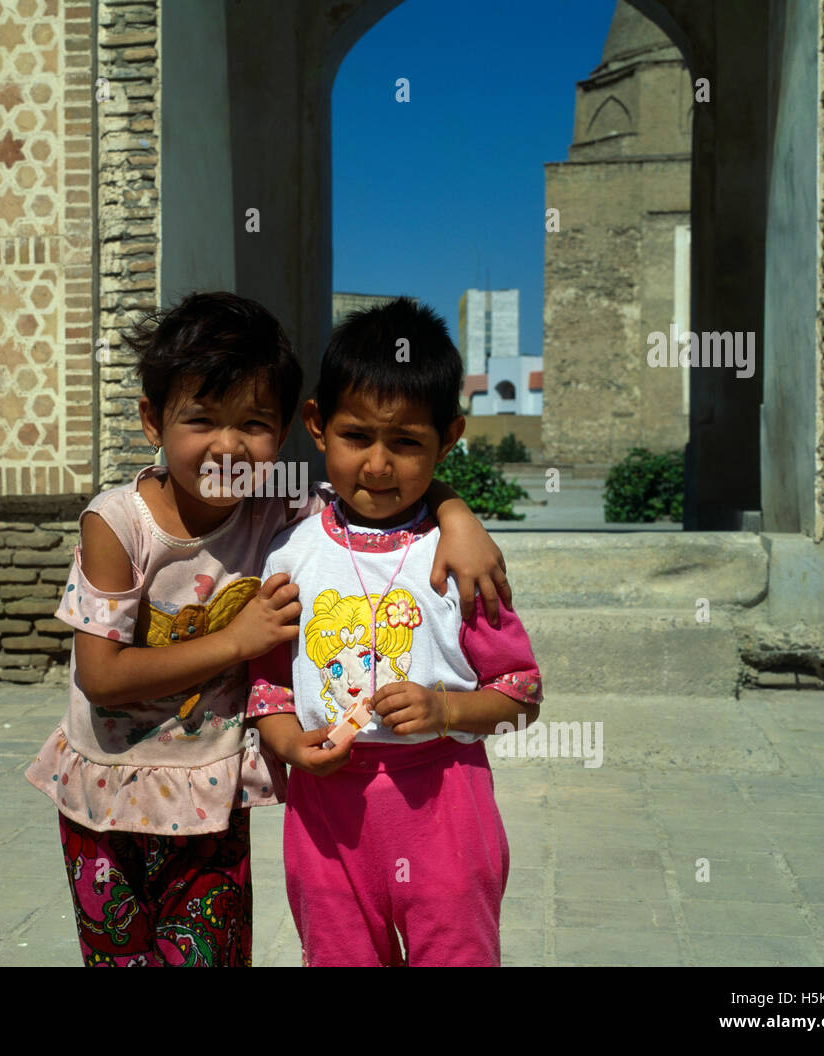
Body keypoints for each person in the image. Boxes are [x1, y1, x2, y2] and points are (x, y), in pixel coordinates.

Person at [24, 291, 514, 966]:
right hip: (104, 799)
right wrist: (236, 640)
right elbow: (102, 677)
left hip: (211, 798)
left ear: (288, 428)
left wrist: (456, 514)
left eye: (253, 423)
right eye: (200, 419)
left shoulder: (283, 513)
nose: (227, 446)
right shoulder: (118, 524)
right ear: (151, 419)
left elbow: (381, 485)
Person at [247, 296, 543, 967]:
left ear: (450, 437)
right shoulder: (288, 550)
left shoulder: (460, 559)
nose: (378, 465)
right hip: (325, 819)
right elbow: (265, 683)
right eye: (357, 437)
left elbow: (521, 692)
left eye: (407, 442)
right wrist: (290, 744)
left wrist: (448, 710)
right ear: (318, 425)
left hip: (444, 809)